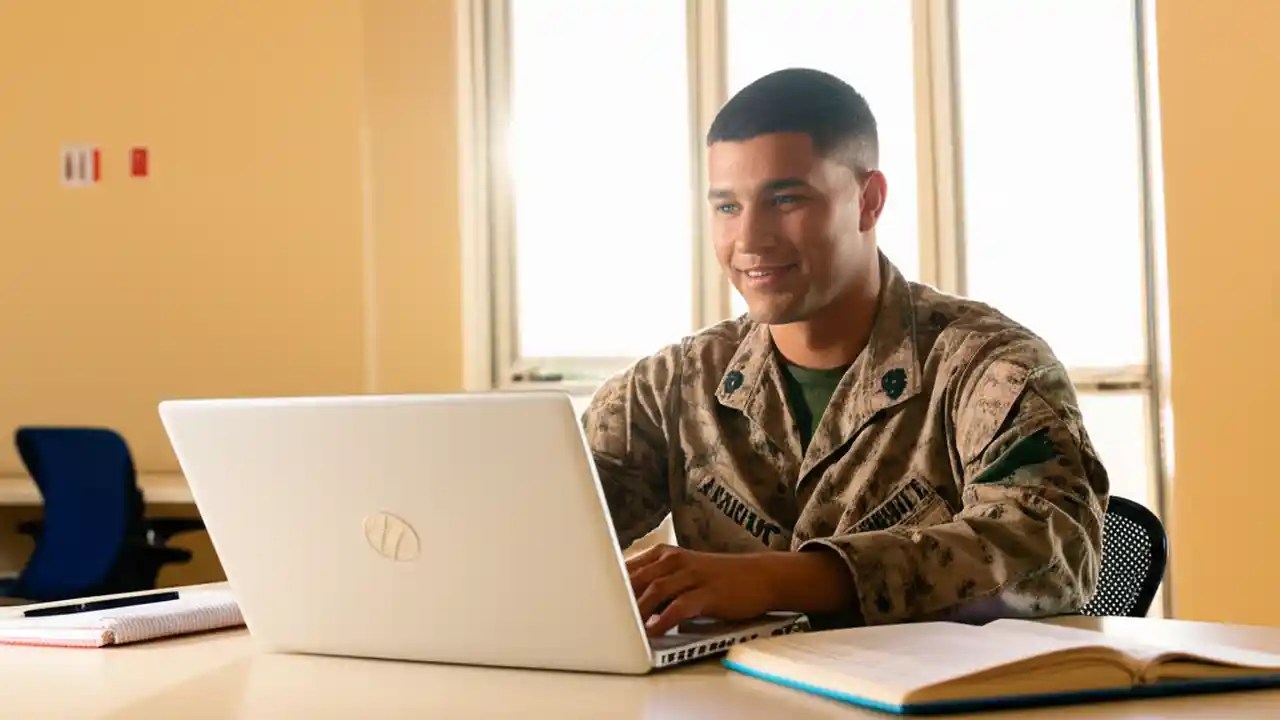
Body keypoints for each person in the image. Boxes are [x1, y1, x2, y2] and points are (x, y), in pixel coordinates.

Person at [580, 68, 1110, 637]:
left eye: (785, 199)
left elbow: (1050, 557)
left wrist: (779, 580)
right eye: (728, 208)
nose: (750, 240)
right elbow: (536, 530)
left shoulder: (991, 368)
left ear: (869, 201)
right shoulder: (673, 385)